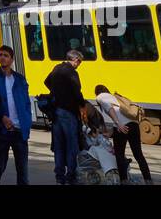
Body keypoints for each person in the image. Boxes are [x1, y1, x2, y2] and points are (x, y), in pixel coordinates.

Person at [0, 45, 32, 185]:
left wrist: (27, 122)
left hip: (19, 130)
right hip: (2, 131)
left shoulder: (19, 79)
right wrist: (1, 117)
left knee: (23, 170)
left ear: (12, 59)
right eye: (0, 54)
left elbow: (26, 103)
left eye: (6, 55)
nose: (2, 57)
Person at [94, 84, 152, 184]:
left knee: (119, 155)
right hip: (134, 125)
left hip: (122, 127)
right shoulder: (113, 97)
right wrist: (112, 132)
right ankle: (148, 180)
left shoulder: (100, 97)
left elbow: (110, 109)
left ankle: (124, 180)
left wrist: (119, 124)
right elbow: (119, 114)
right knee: (138, 155)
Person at [45, 49, 85, 185]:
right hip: (68, 112)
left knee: (59, 145)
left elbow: (46, 81)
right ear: (75, 60)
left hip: (56, 112)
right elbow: (77, 91)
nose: (79, 65)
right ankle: (71, 175)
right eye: (79, 62)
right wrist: (82, 105)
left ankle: (59, 176)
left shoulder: (56, 68)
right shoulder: (71, 72)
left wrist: (56, 92)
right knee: (71, 145)